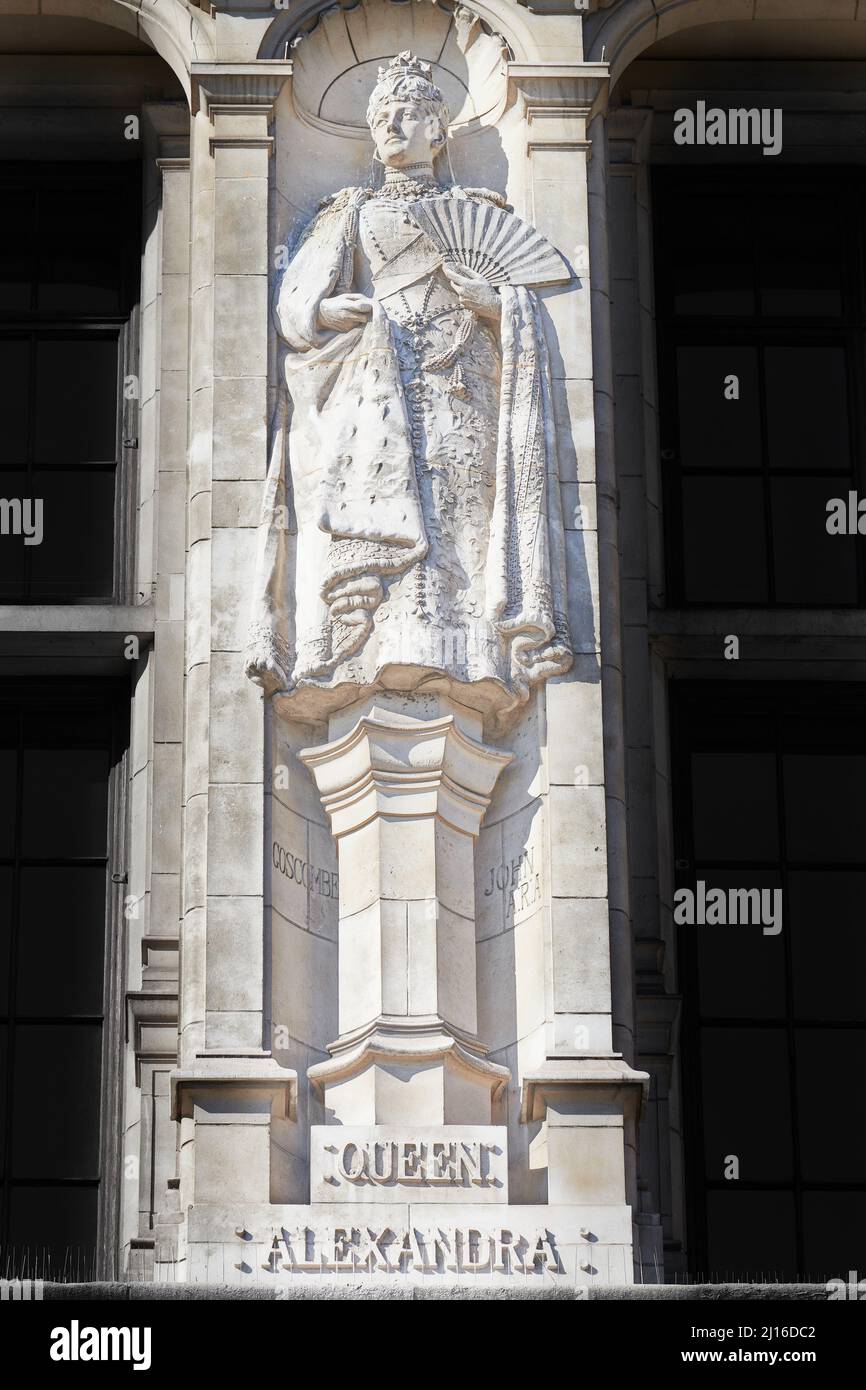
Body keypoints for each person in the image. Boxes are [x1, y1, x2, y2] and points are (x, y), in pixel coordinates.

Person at [247, 52, 572, 731]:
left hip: (459, 391)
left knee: (458, 531)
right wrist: (323, 314)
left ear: (439, 130)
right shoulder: (349, 211)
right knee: (382, 528)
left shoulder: (474, 210)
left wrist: (492, 303)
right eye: (383, 116)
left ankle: (465, 657)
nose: (394, 124)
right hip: (373, 390)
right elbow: (296, 304)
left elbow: (522, 308)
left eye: (411, 114)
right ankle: (365, 655)